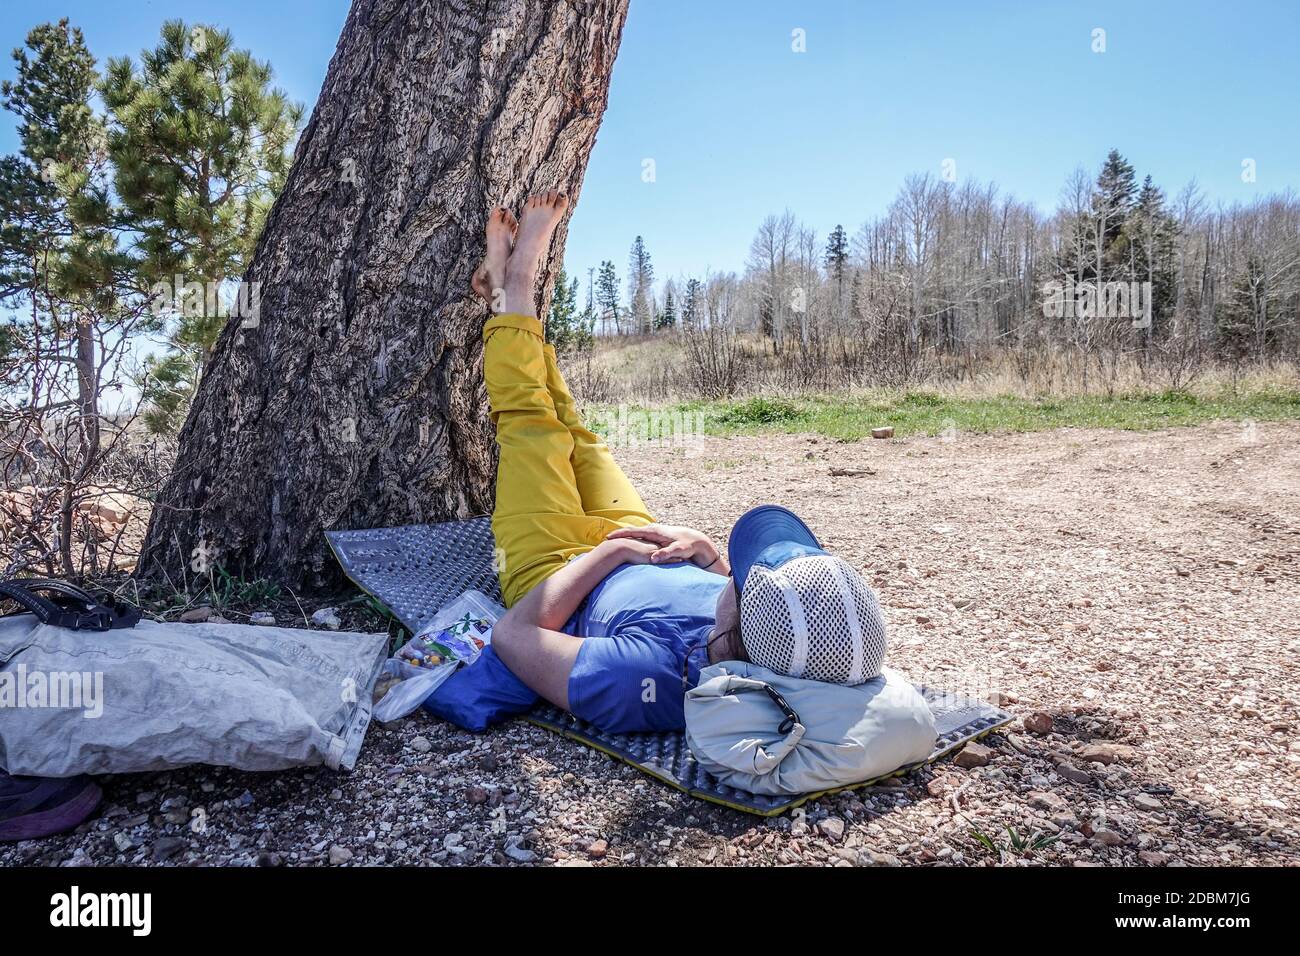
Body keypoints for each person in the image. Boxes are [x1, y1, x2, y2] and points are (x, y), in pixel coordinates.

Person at [427, 194, 888, 734]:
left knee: (531, 426)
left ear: (739, 623)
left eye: (745, 581)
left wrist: (612, 553)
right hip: (641, 545)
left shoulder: (642, 679)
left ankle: (517, 285)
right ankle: (510, 303)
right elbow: (734, 617)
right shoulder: (792, 644)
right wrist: (709, 555)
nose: (738, 577)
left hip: (556, 572)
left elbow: (513, 636)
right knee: (577, 435)